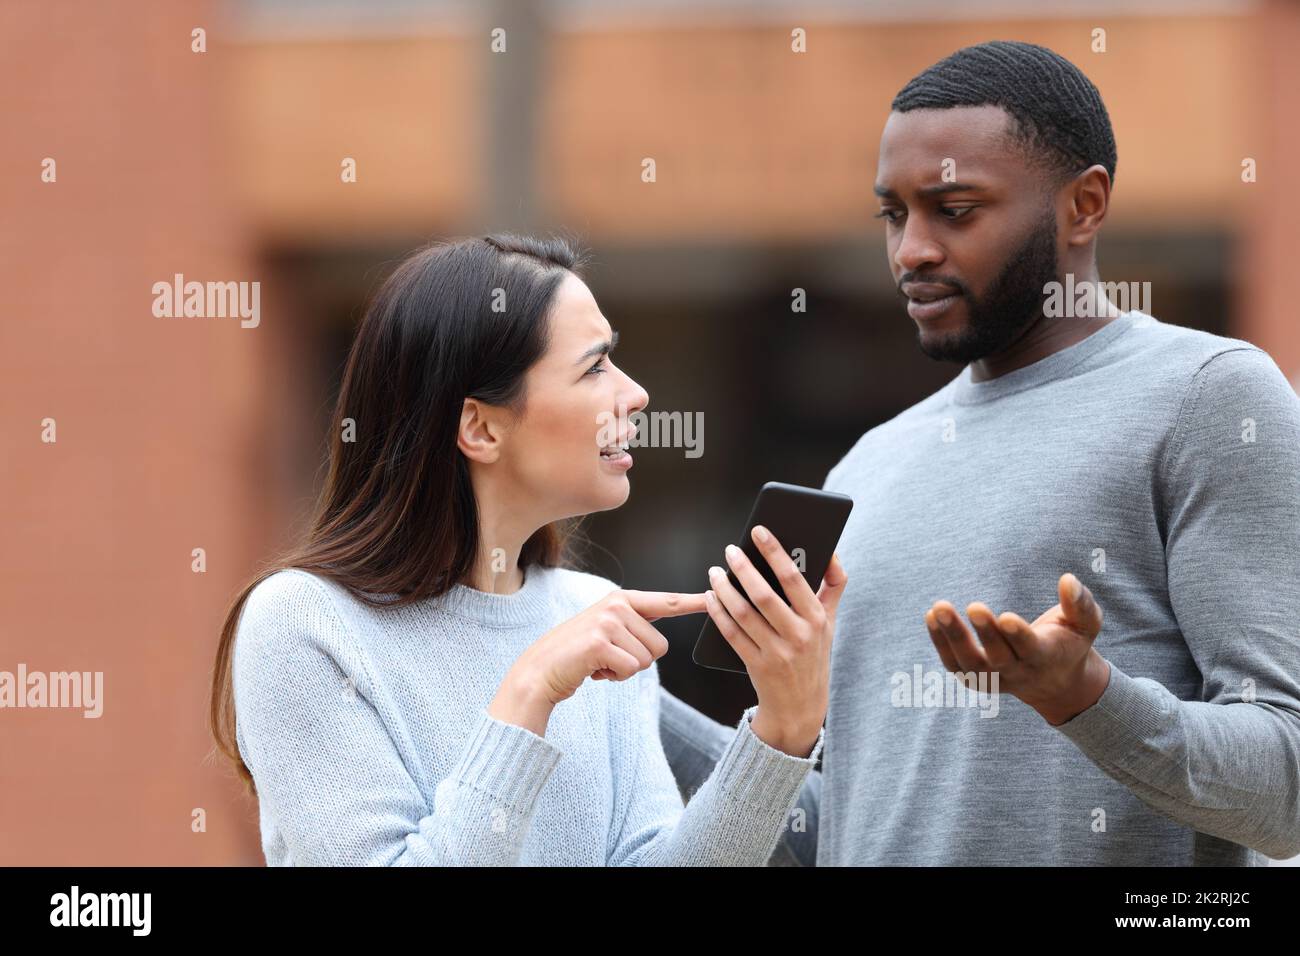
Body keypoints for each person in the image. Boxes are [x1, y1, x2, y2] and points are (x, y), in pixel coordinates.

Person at [660, 40, 1300, 866]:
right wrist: (632, 708)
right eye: (893, 214)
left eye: (953, 209)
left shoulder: (1208, 397)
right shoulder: (868, 467)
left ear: (1085, 205)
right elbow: (849, 828)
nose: (910, 251)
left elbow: (1284, 788)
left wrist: (1086, 698)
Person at [208, 233, 847, 865]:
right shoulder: (304, 623)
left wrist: (781, 729)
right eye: (594, 368)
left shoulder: (595, 611)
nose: (636, 394)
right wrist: (531, 689)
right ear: (480, 427)